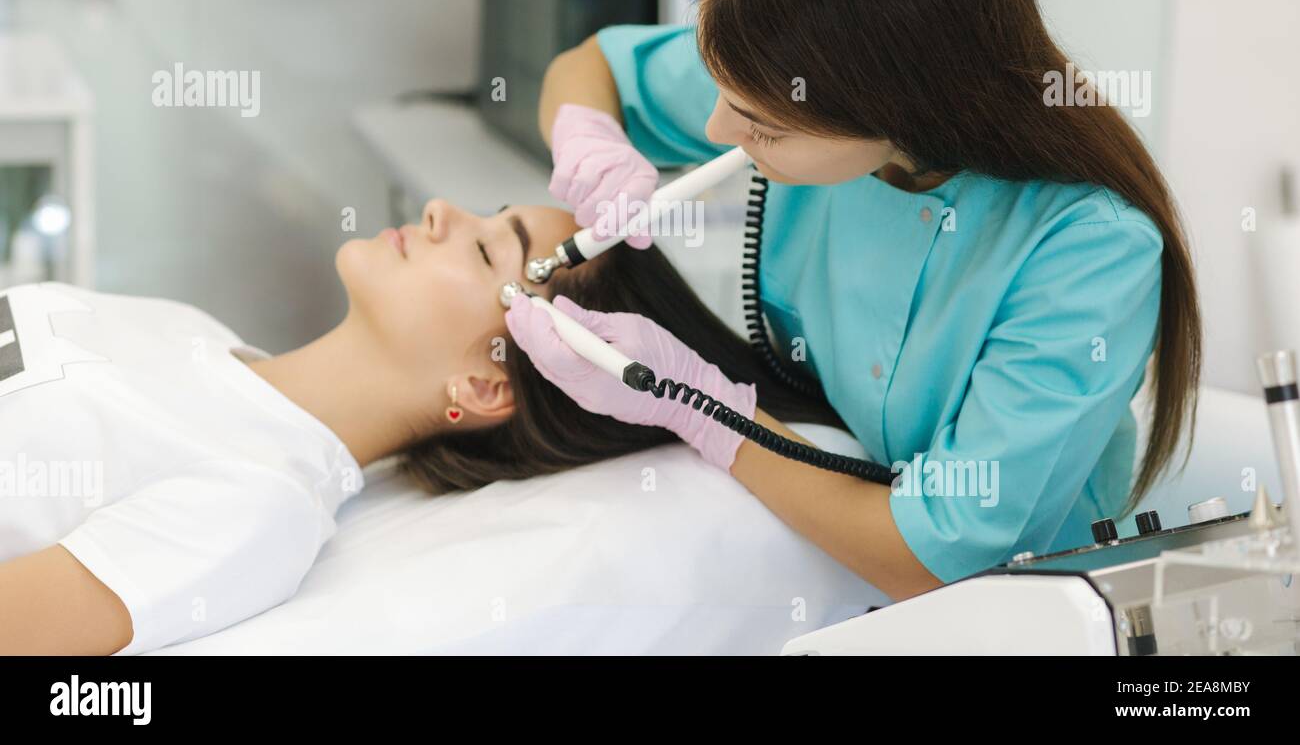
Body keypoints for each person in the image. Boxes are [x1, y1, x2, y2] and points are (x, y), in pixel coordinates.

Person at [509, 0, 1201, 601]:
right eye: (720, 92)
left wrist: (703, 410)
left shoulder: (1089, 253)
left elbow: (935, 556)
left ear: (900, 113)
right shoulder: (781, 62)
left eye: (760, 128)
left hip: (1012, 614)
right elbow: (593, 68)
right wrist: (590, 136)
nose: (714, 129)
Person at [0, 200, 839, 654]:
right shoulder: (187, 327)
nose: (441, 211)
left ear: (482, 384)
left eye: (485, 251)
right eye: (485, 216)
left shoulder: (253, 501)